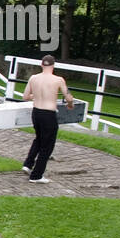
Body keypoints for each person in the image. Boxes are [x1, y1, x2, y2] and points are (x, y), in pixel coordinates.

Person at [22, 54, 74, 183]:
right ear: (53, 66)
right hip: (48, 114)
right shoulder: (58, 80)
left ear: (41, 65)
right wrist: (70, 105)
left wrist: (38, 95)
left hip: (36, 112)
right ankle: (36, 175)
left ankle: (28, 164)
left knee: (39, 139)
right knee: (47, 146)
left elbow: (25, 96)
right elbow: (68, 97)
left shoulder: (33, 78)